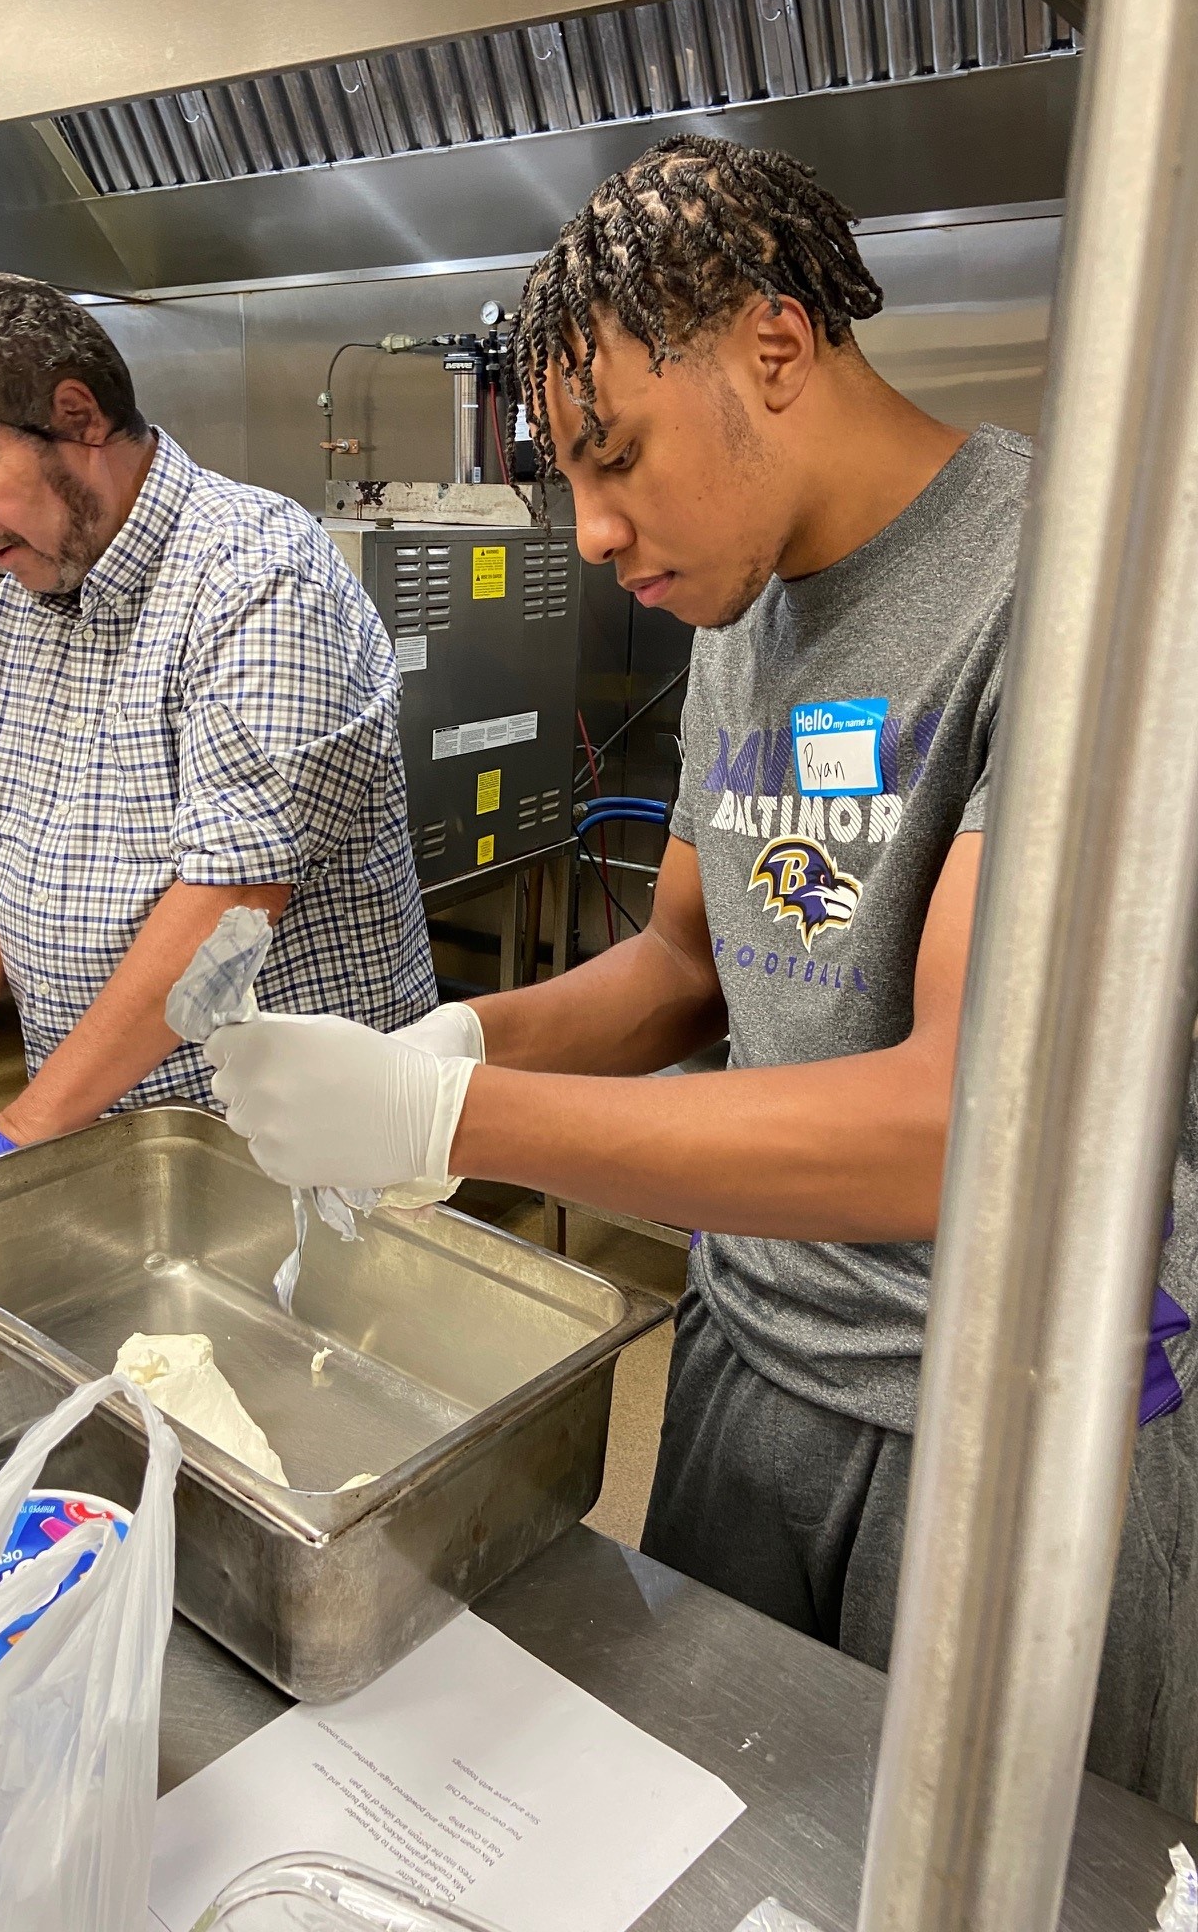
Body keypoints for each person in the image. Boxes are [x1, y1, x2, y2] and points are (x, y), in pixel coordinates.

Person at [203, 136, 1198, 1808]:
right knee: (716, 1829)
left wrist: (451, 1113)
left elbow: (960, 1123)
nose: (590, 533)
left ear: (773, 347)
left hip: (1006, 1424)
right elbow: (684, 961)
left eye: (614, 459)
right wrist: (451, 1029)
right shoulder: (737, 609)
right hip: (750, 1359)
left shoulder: (1078, 595)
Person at [0, 273, 434, 1192]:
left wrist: (21, 1126)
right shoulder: (26, 600)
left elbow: (232, 905)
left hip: (285, 1148)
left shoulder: (257, 577)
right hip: (108, 1116)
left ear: (78, 417)